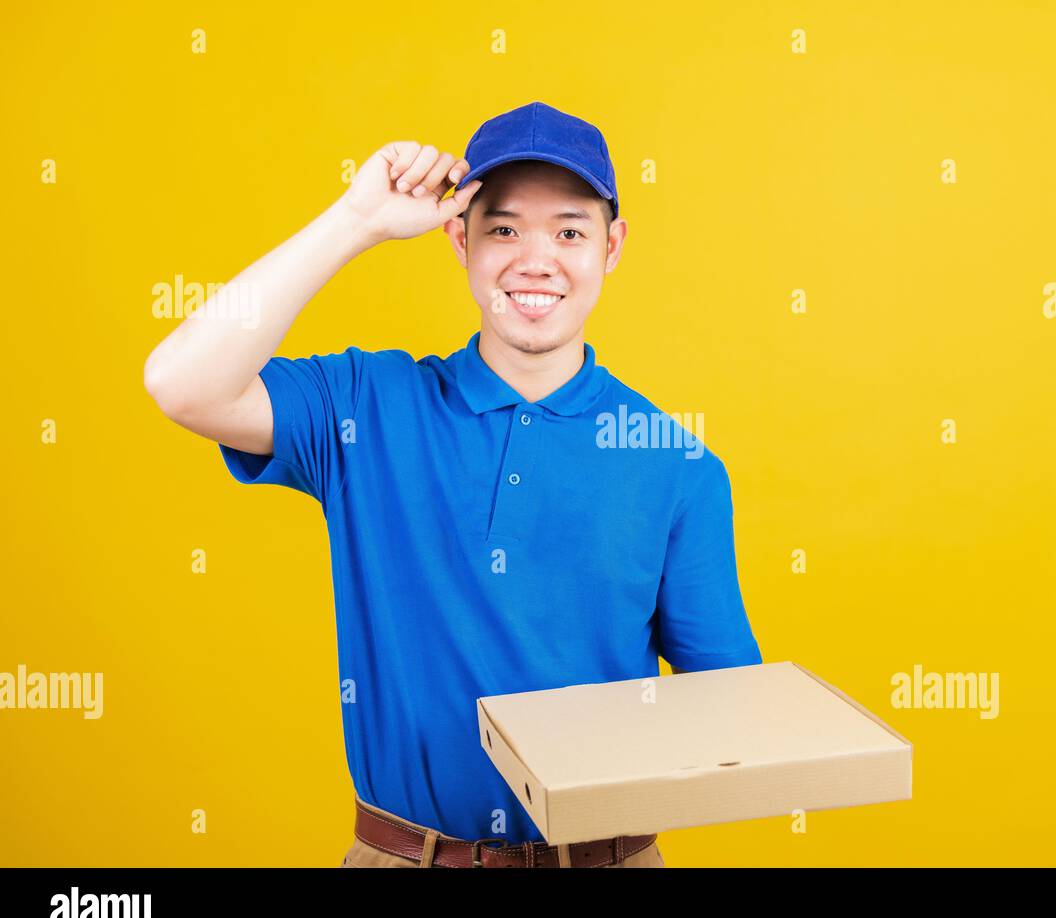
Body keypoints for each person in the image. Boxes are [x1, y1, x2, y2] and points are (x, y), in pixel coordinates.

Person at [143, 101, 763, 868]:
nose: (536, 261)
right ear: (456, 238)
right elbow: (180, 383)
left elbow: (729, 711)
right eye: (502, 229)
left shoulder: (678, 463)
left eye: (570, 232)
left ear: (613, 246)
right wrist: (356, 220)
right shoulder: (366, 406)